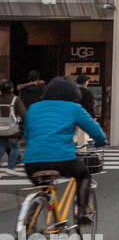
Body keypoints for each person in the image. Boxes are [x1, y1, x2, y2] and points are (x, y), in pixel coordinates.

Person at [22, 76, 107, 225]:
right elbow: (95, 130)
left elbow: (28, 135)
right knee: (83, 175)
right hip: (62, 159)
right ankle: (82, 212)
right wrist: (101, 142)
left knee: (44, 189)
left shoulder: (34, 108)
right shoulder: (73, 108)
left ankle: (30, 219)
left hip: (32, 162)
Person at [0, 78, 26, 169]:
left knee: (1, 147)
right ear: (11, 89)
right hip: (12, 129)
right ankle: (11, 167)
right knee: (15, 147)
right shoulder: (15, 99)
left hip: (0, 128)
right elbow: (23, 115)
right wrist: (20, 124)